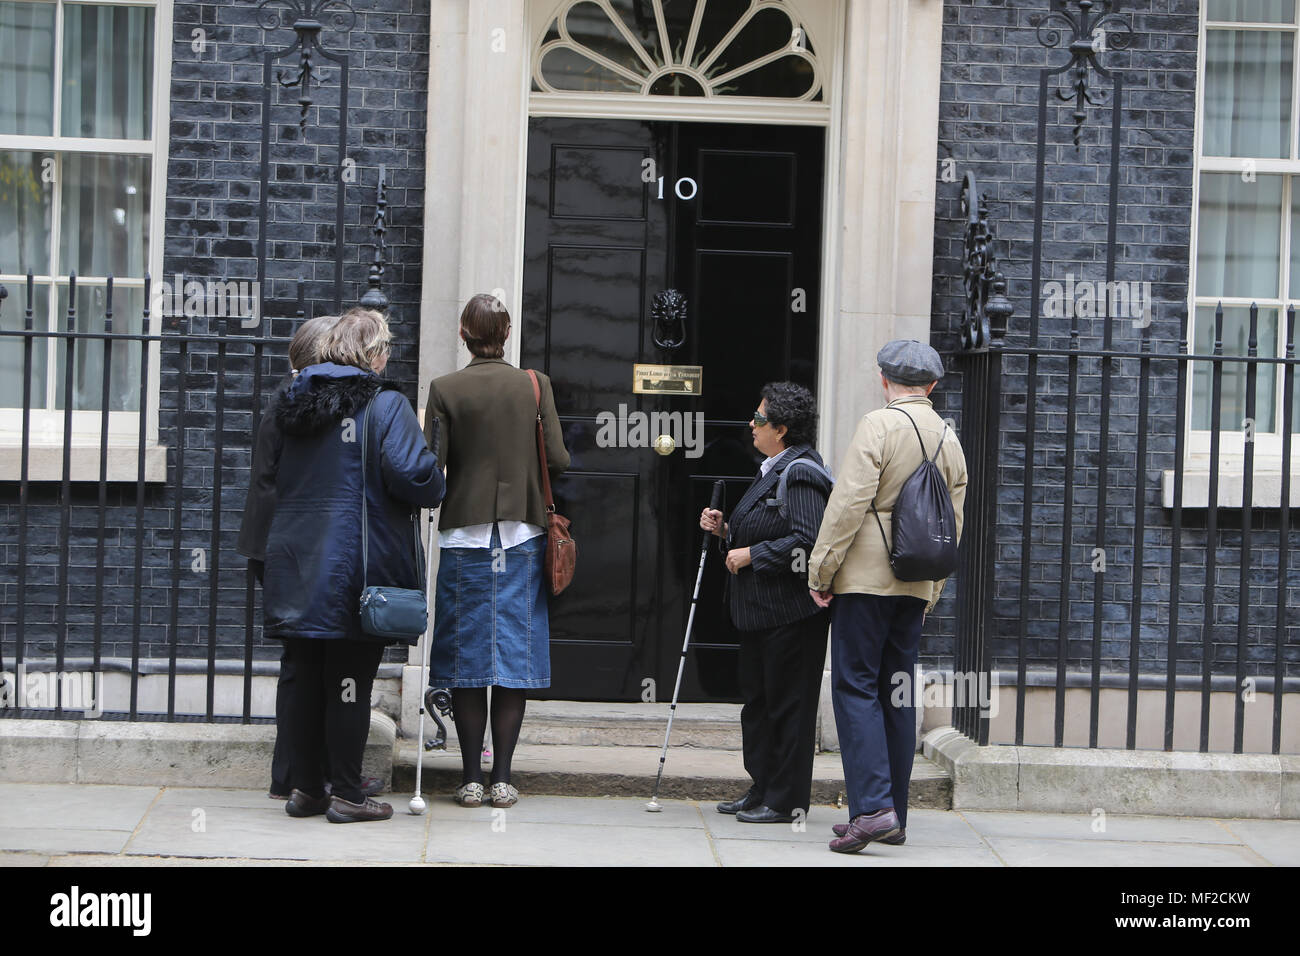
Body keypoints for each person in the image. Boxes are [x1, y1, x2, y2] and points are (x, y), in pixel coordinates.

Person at [262, 308, 445, 823]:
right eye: (385, 347)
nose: (388, 357)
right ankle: (345, 793)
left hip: (295, 561)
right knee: (349, 681)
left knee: (305, 676)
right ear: (373, 354)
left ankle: (307, 790)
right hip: (353, 567)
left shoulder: (290, 402)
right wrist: (436, 472)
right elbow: (415, 476)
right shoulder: (385, 405)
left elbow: (271, 475)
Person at [807, 339, 968, 853]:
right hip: (916, 584)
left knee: (854, 687)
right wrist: (933, 589)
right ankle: (892, 813)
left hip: (866, 581)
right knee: (897, 691)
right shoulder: (949, 436)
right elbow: (954, 522)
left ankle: (873, 809)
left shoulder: (878, 425)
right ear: (933, 386)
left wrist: (821, 570)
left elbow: (848, 501)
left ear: (884, 381)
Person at [424, 293, 570, 809]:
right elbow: (557, 457)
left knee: (467, 655)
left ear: (464, 333)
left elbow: (430, 467)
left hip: (465, 533)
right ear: (506, 334)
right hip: (521, 535)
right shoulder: (535, 386)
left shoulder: (445, 388)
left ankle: (468, 778)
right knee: (513, 654)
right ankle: (503, 778)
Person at [238, 313, 379, 802]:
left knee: (302, 665)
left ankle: (298, 778)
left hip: (276, 543)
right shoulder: (301, 402)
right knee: (310, 665)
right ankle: (307, 777)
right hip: (294, 544)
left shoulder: (293, 397)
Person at [700, 382, 831, 824]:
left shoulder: (803, 472)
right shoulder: (773, 467)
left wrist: (752, 554)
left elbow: (809, 543)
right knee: (758, 705)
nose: (750, 425)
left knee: (787, 709)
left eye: (758, 419)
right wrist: (726, 533)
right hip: (760, 613)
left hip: (791, 616)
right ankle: (762, 788)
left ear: (782, 428)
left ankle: (786, 799)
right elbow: (767, 528)